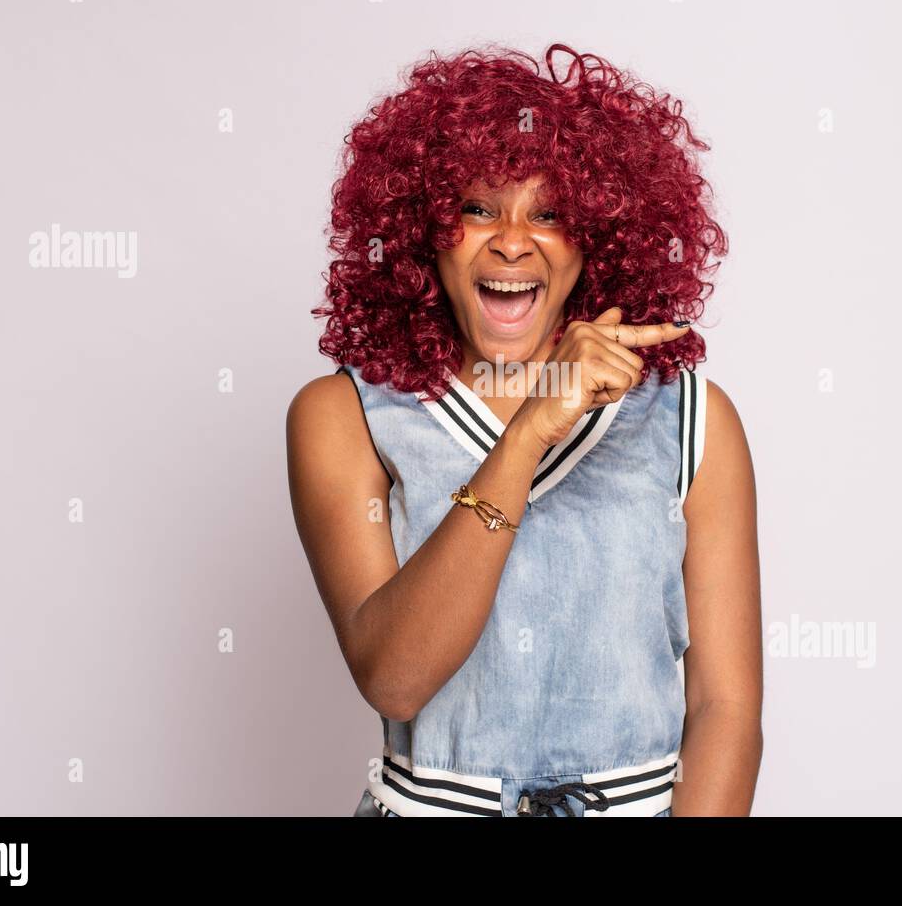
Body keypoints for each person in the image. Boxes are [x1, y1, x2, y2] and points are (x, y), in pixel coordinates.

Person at [287, 43, 762, 816]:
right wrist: (529, 430)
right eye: (478, 208)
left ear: (598, 239)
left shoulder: (691, 418)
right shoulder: (344, 416)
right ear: (425, 231)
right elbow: (394, 676)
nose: (512, 239)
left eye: (550, 213)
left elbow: (727, 710)